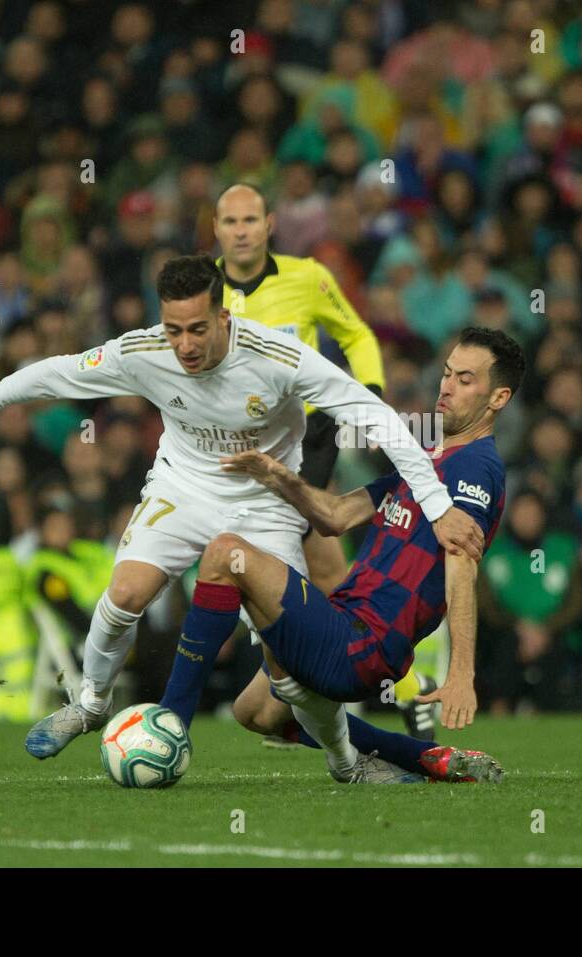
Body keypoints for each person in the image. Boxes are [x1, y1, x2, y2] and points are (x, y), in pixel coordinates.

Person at [0, 255, 485, 764]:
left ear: (224, 318)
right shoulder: (144, 351)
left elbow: (372, 413)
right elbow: (56, 373)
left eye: (198, 329)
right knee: (125, 595)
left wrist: (436, 506)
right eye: (174, 328)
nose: (184, 344)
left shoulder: (278, 357)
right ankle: (89, 705)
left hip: (265, 507)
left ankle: (344, 759)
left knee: (288, 671)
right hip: (183, 490)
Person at [170, 327, 523, 783]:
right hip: (344, 619)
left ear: (498, 399)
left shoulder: (476, 466)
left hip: (366, 640)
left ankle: (171, 723)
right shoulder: (424, 460)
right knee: (255, 711)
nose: (447, 386)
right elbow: (335, 516)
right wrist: (276, 475)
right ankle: (424, 758)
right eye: (447, 373)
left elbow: (461, 562)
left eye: (466, 379)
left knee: (224, 554)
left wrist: (461, 673)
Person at [213, 183, 441, 737]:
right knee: (311, 569)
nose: (241, 230)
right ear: (216, 229)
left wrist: (368, 394)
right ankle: (394, 689)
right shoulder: (201, 288)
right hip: (233, 444)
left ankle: (336, 692)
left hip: (306, 435)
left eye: (250, 219)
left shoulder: (308, 276)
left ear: (270, 224)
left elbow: (356, 333)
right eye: (229, 221)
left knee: (306, 562)